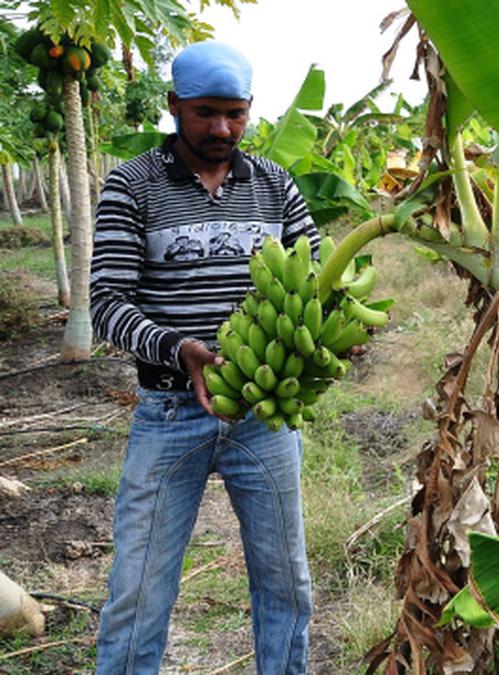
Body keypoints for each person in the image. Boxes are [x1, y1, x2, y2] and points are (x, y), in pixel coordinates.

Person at [90, 42, 317, 674]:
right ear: (173, 107)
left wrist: (328, 333)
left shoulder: (276, 185)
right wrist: (181, 351)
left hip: (263, 418)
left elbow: (316, 279)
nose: (222, 129)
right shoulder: (130, 186)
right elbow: (107, 300)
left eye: (235, 114)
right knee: (138, 590)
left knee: (287, 585)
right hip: (169, 411)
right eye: (205, 113)